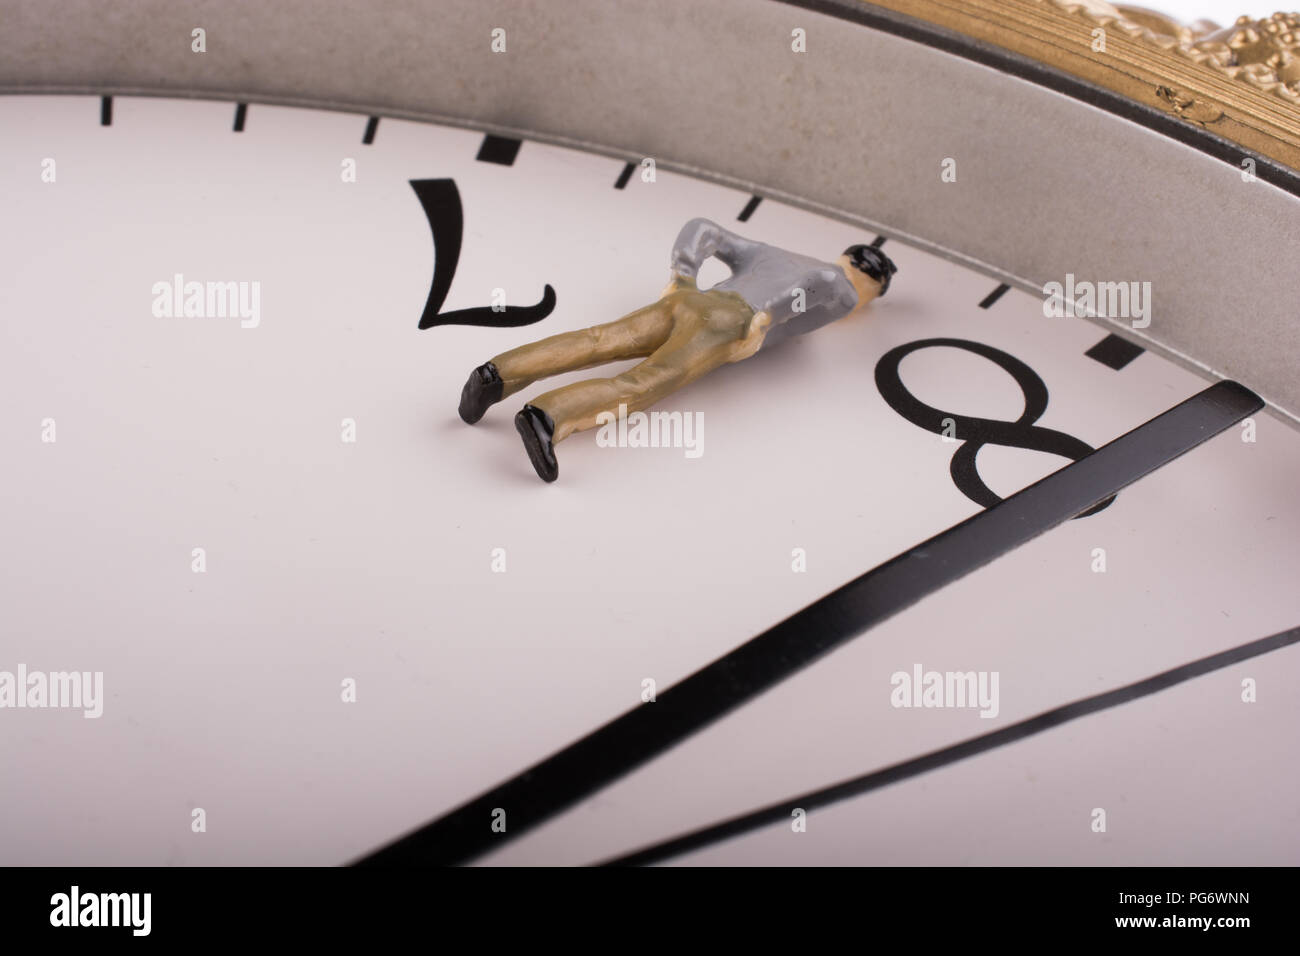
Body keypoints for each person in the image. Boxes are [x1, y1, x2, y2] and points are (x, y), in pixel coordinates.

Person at [458, 217, 897, 481]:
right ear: (871, 282)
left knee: (599, 338)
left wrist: (683, 275)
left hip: (691, 298)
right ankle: (547, 417)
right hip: (731, 320)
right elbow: (818, 288)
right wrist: (765, 318)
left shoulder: (774, 252)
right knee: (646, 380)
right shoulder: (842, 286)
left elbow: (703, 228)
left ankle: (495, 376)